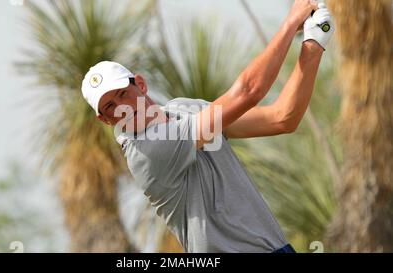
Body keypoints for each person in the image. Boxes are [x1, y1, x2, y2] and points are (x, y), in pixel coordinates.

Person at [81, 0, 334, 253]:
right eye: (110, 107)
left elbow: (282, 118)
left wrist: (313, 44)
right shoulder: (146, 152)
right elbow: (248, 92)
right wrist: (290, 23)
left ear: (141, 84)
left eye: (123, 93)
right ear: (106, 120)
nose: (121, 107)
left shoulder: (183, 109)